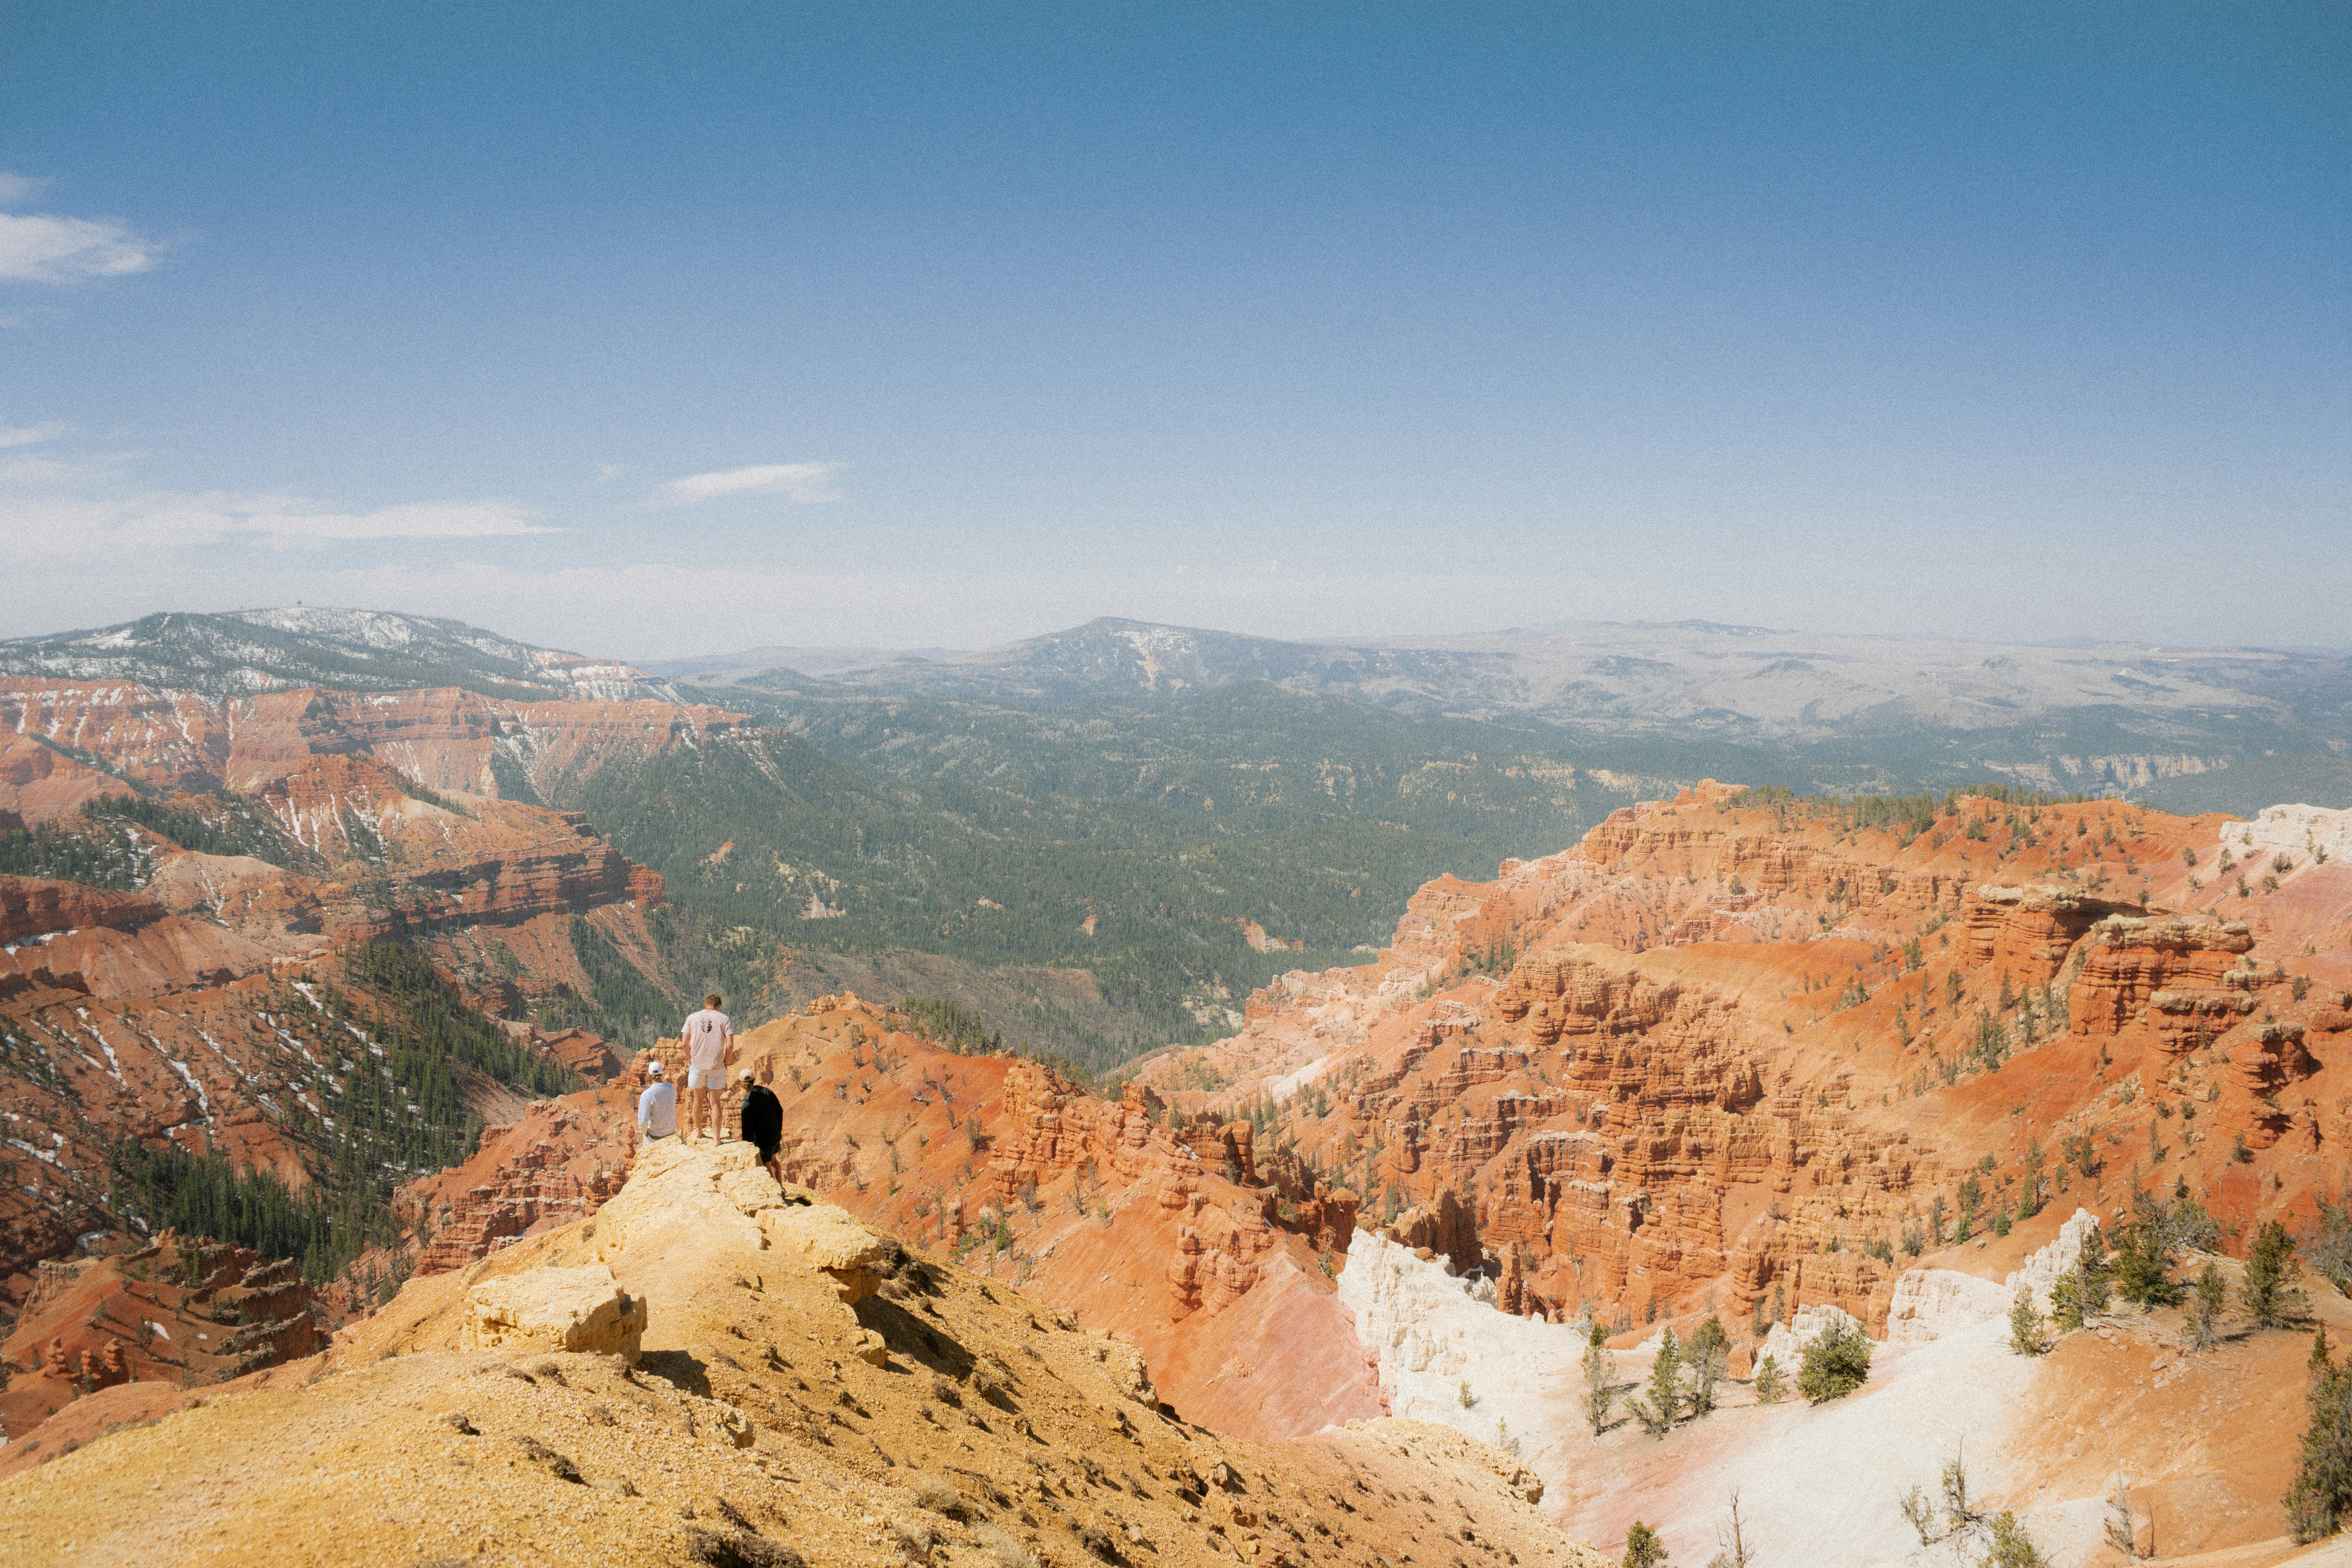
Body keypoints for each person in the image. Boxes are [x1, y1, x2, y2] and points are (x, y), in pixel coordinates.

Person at [679, 993, 735, 1144]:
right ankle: (717, 1139)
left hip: (697, 1066)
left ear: (706, 1005)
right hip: (717, 1066)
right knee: (715, 1102)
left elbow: (684, 1043)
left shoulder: (692, 1018)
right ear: (718, 1006)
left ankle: (698, 1131)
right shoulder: (724, 1019)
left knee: (698, 1099)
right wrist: (726, 1062)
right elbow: (730, 1045)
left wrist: (691, 1059)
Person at [739, 1067, 783, 1180]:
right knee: (774, 1161)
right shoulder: (768, 1092)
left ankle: (775, 1193)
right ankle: (781, 1188)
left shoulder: (747, 1106)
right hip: (775, 1135)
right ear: (754, 1080)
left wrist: (747, 1147)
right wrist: (779, 1130)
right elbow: (780, 1111)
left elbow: (747, 1131)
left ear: (741, 1084)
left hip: (763, 1141)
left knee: (766, 1165)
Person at [636, 1059, 677, 1142]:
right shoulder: (671, 1087)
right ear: (662, 1074)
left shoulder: (647, 1095)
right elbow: (660, 1094)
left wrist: (646, 1134)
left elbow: (643, 1120)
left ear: (649, 1075)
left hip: (655, 1137)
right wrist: (646, 1088)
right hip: (671, 1134)